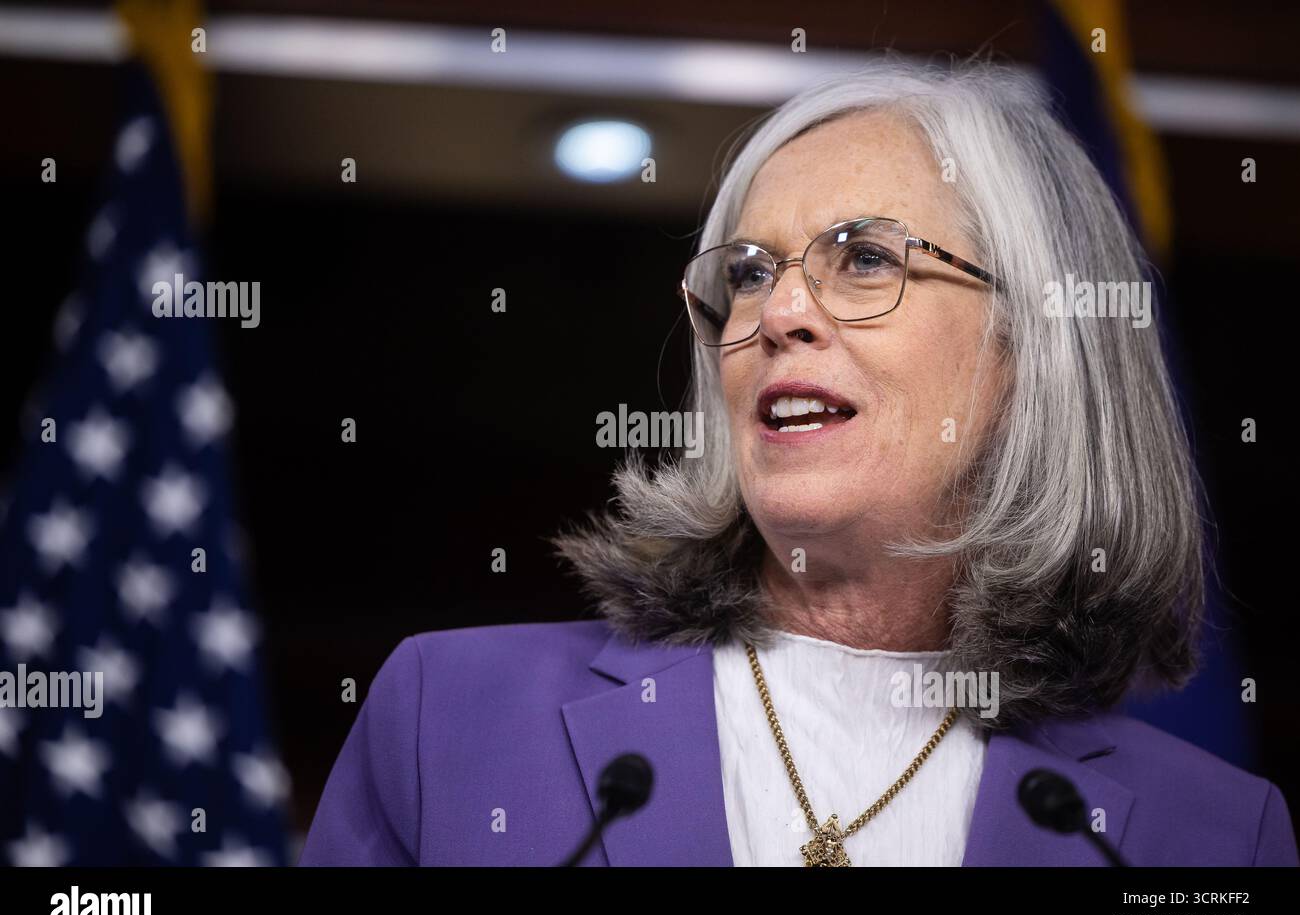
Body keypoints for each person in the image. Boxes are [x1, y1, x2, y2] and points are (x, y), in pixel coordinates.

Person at [299, 58, 1297, 867]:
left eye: (864, 258)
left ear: (1031, 356)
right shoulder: (452, 718)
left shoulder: (1209, 840)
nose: (775, 315)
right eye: (746, 273)